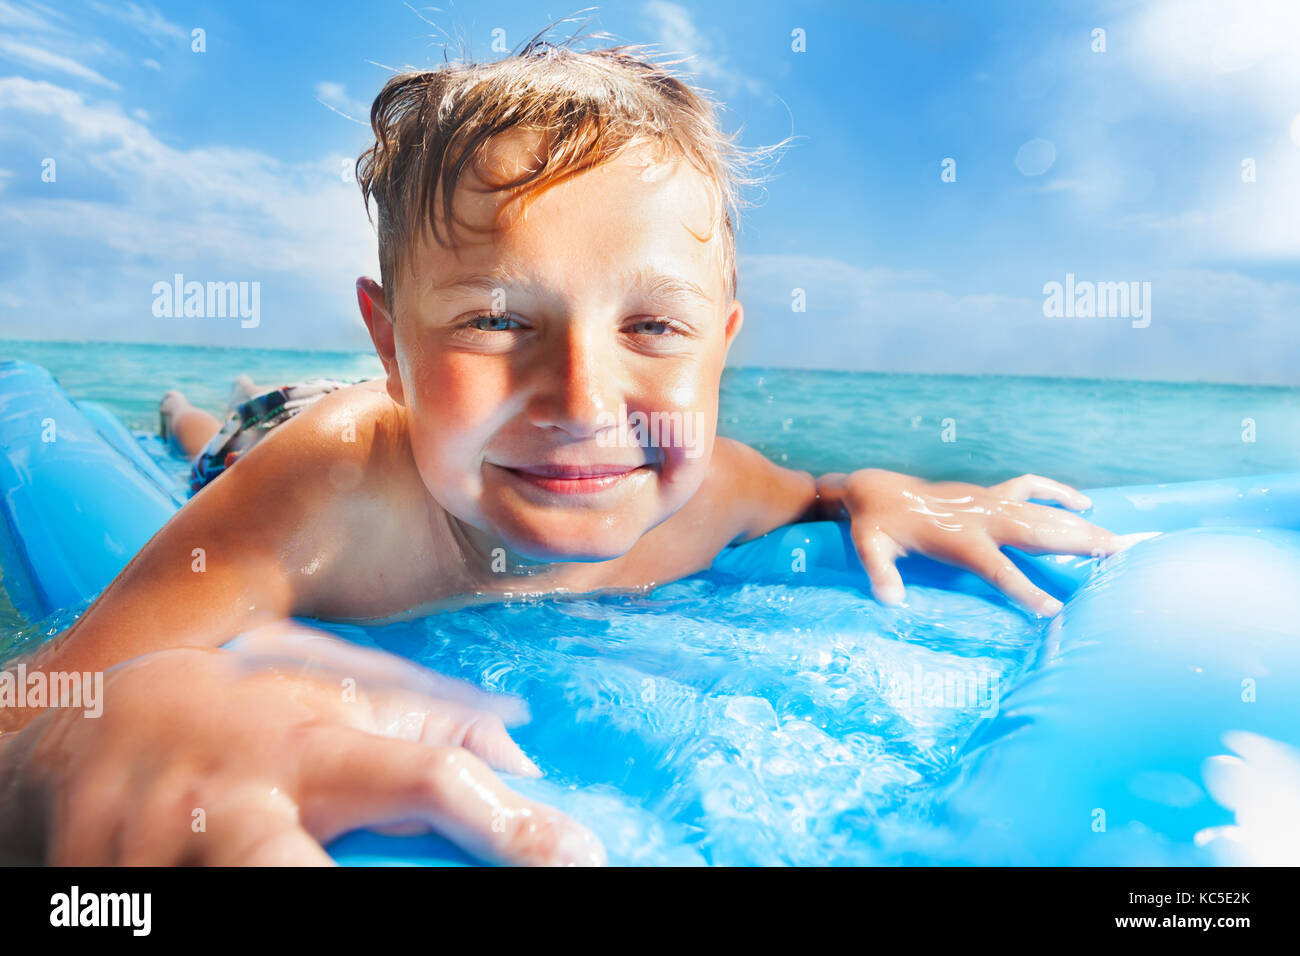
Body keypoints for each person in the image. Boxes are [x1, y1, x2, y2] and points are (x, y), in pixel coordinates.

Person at [0, 35, 1130, 866]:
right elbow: (36, 696)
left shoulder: (711, 487)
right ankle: (188, 407)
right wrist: (96, 735)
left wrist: (889, 488)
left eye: (652, 326)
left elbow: (821, 492)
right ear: (390, 340)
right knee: (216, 436)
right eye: (497, 320)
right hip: (283, 440)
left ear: (720, 346)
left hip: (403, 418)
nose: (584, 400)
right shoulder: (331, 489)